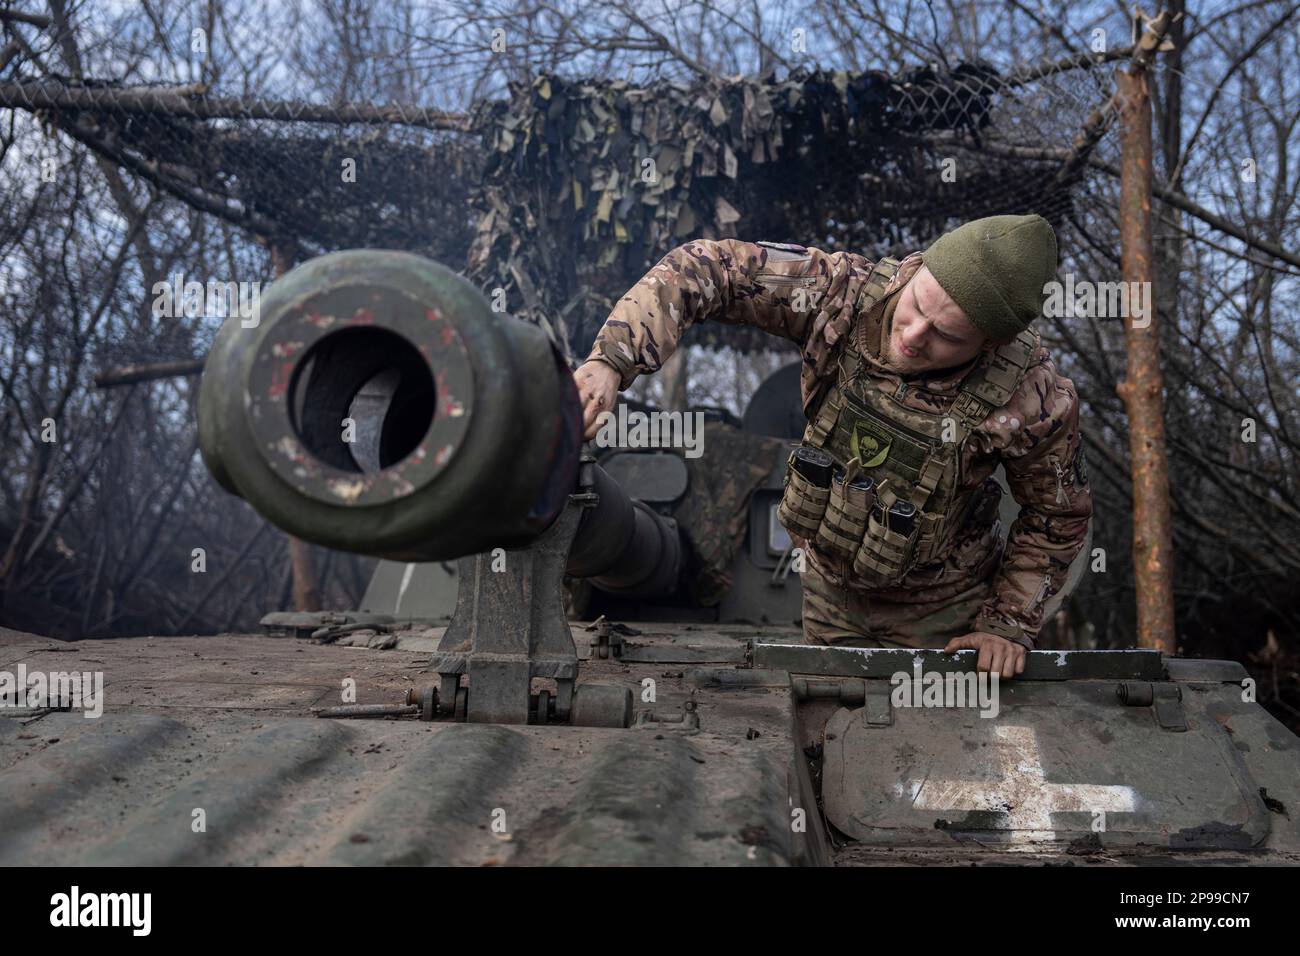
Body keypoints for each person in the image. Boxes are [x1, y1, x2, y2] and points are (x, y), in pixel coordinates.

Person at [573, 214, 1092, 678]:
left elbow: (1059, 514)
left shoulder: (1032, 397)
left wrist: (1005, 625)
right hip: (827, 594)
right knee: (825, 734)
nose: (912, 335)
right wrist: (611, 361)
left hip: (942, 616)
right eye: (915, 306)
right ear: (916, 273)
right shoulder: (839, 292)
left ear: (989, 344)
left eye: (946, 336)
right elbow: (708, 269)